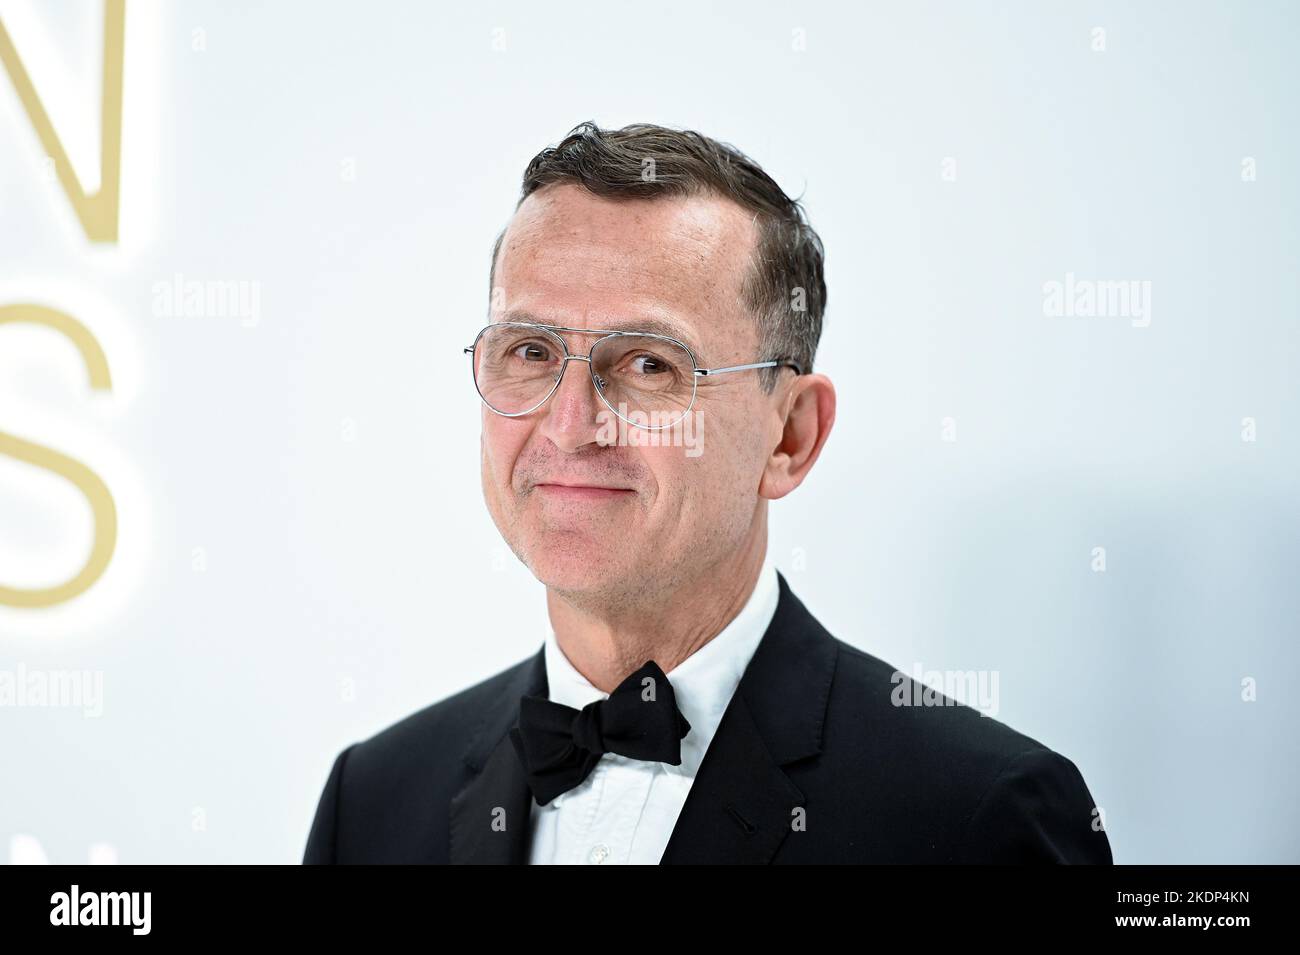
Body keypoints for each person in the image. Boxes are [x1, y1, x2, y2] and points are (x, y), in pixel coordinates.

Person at [303, 120, 1112, 864]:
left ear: (790, 435)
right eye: (531, 350)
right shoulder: (373, 801)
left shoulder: (978, 818)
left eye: (650, 364)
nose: (571, 424)